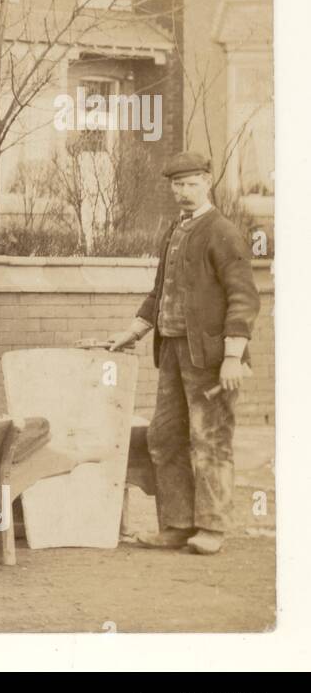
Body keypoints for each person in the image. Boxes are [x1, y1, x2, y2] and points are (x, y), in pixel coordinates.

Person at [107, 152, 259, 555]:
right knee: (165, 437)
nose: (183, 192)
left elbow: (243, 298)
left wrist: (232, 355)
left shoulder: (222, 231)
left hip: (211, 359)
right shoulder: (174, 230)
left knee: (210, 438)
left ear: (207, 182)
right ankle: (176, 524)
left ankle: (211, 528)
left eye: (190, 183)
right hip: (173, 351)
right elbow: (161, 291)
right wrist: (133, 331)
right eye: (177, 185)